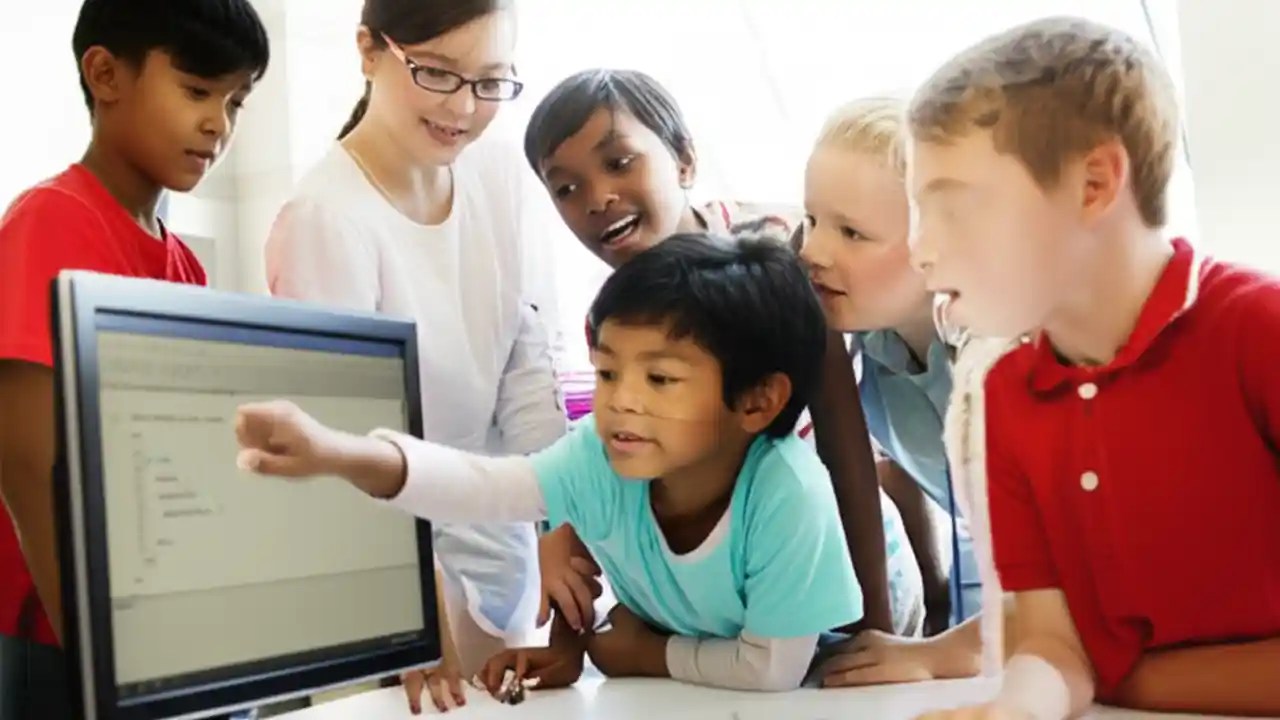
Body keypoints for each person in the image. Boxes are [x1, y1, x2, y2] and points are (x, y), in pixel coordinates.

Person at [235, 234, 862, 701]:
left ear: (757, 401)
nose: (622, 398)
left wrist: (644, 651)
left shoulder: (789, 493)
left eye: (661, 378)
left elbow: (771, 670)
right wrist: (337, 452)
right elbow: (482, 487)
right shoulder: (602, 452)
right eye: (608, 371)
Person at [907, 16, 1280, 719]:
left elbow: (1103, 673)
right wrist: (1011, 712)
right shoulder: (1005, 394)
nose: (920, 248)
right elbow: (1053, 647)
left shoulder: (1260, 332)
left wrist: (1134, 681)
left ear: (1095, 183)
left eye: (951, 206)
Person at [523, 68, 908, 639]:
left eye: (619, 163)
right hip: (727, 606)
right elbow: (604, 467)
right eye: (565, 188)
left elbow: (844, 440)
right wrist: (557, 545)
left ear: (684, 161)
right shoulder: (609, 320)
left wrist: (873, 622)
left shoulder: (776, 254)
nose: (598, 197)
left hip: (838, 571)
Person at [262, 0, 565, 713]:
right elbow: (344, 451)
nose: (464, 108)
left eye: (491, 81)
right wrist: (415, 615)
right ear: (368, 51)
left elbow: (527, 376)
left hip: (502, 543)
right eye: (438, 73)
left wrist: (562, 526)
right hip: (390, 570)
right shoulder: (325, 218)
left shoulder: (496, 174)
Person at [0, 1, 267, 716]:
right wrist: (103, 663)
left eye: (236, 101)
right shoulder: (51, 221)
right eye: (196, 91)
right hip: (62, 639)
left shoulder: (185, 268)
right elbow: (28, 464)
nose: (220, 125)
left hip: (162, 630)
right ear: (105, 74)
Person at [799, 97, 989, 686]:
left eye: (852, 232)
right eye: (812, 220)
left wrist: (938, 654)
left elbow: (1074, 566)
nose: (813, 252)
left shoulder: (1009, 350)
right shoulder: (867, 339)